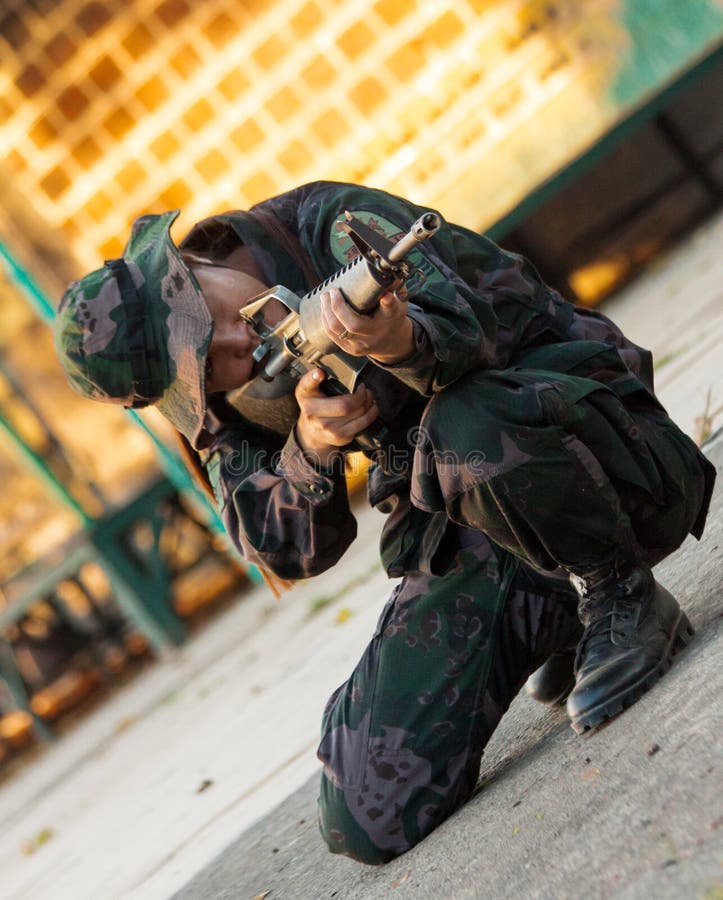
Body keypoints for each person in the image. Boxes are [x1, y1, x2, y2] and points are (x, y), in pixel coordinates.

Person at [54, 180, 715, 864]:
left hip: (605, 456)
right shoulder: (219, 395)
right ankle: (551, 612)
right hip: (471, 533)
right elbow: (275, 546)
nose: (231, 345)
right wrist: (310, 449)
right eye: (203, 364)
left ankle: (622, 596)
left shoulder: (336, 230)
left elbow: (488, 322)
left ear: (184, 267)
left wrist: (401, 340)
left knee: (468, 423)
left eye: (203, 319)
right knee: (368, 812)